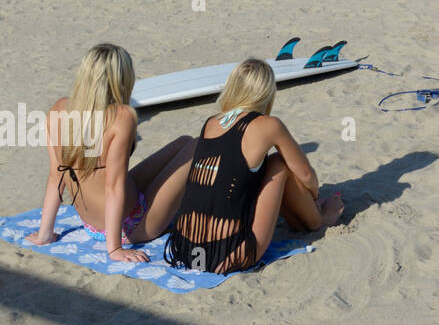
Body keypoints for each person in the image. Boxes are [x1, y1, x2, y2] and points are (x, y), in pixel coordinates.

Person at [164, 59, 343, 274]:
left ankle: (305, 217)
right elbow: (306, 175)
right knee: (278, 164)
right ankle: (319, 220)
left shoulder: (211, 122)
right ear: (266, 91)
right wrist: (313, 197)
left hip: (185, 249)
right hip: (230, 254)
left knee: (251, 172)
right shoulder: (268, 125)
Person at [25, 44, 196, 263]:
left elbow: (55, 176)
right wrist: (114, 249)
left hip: (92, 223)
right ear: (121, 79)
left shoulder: (59, 108)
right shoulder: (121, 116)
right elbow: (113, 187)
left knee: (183, 142)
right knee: (198, 144)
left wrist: (44, 234)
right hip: (131, 226)